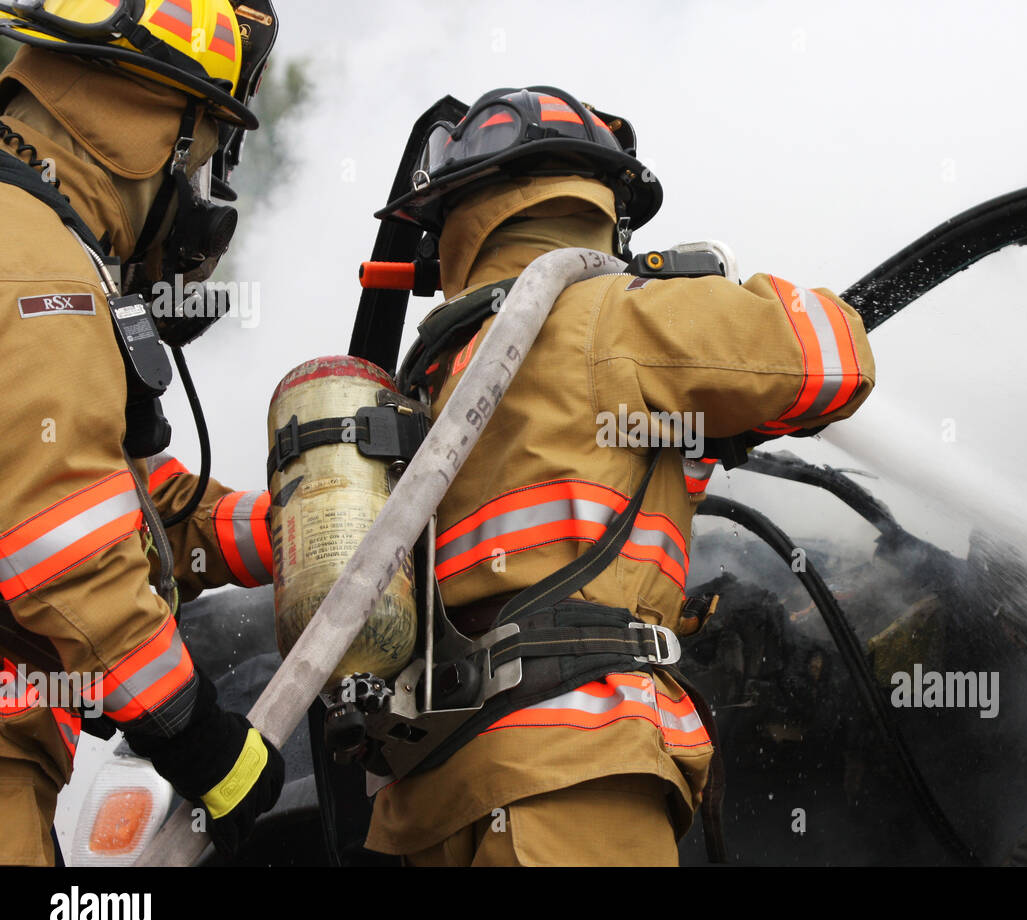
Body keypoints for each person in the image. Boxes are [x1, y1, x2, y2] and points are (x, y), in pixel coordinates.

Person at [361, 86, 876, 865]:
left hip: (439, 802)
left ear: (458, 220)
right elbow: (833, 361)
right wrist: (712, 284)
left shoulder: (428, 381)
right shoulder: (617, 314)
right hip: (573, 779)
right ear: (605, 203)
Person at [0, 0, 283, 866]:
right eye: (200, 154)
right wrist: (201, 741)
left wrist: (295, 531)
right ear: (148, 126)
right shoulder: (38, 268)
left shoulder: (31, 234)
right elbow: (62, 546)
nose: (198, 189)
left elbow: (109, 500)